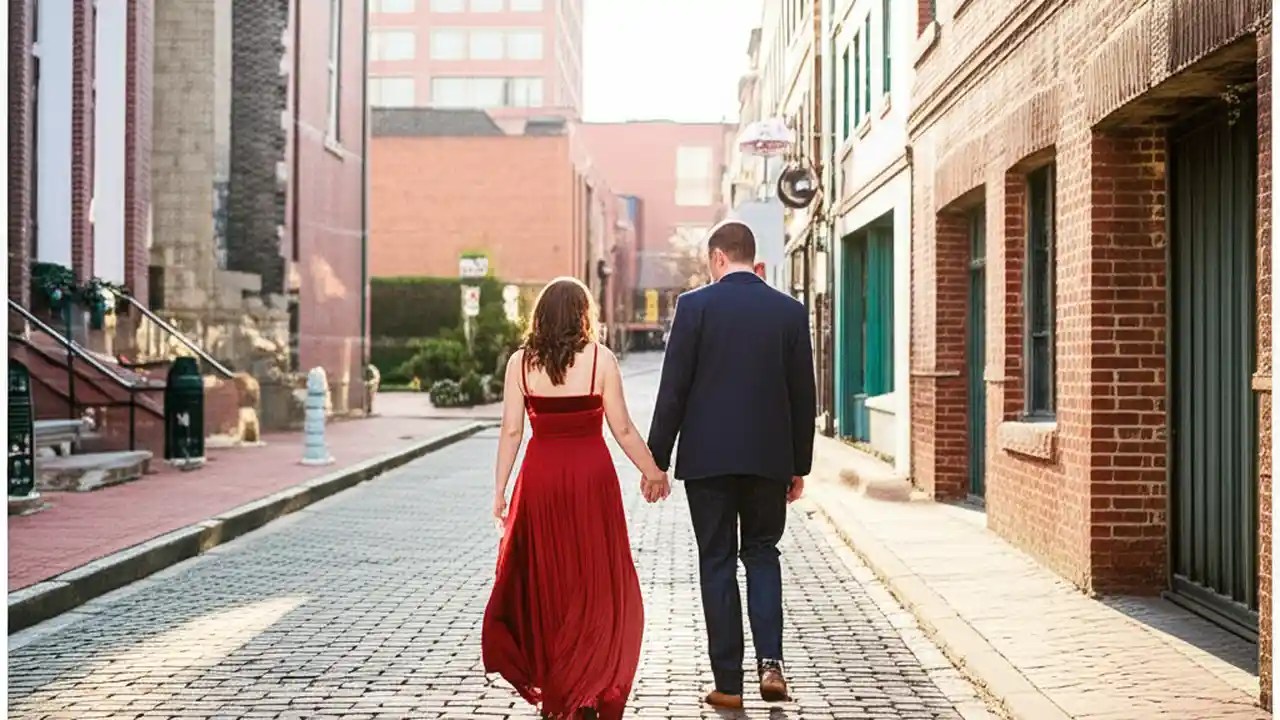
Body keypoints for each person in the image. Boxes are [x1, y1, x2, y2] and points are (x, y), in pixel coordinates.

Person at [644, 219, 817, 710]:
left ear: (718, 258)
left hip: (708, 463)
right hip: (768, 460)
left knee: (717, 561)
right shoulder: (788, 311)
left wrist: (656, 460)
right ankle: (771, 663)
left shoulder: (694, 307)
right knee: (762, 553)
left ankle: (729, 683)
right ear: (750, 255)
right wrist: (797, 464)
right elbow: (803, 396)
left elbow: (673, 390)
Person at [482, 277, 665, 720]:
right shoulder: (600, 359)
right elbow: (622, 428)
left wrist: (500, 489)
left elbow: (511, 431)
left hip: (541, 478)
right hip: (591, 478)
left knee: (549, 582)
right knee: (594, 582)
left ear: (541, 315)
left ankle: (564, 684)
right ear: (583, 314)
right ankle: (589, 684)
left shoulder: (520, 364)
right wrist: (653, 471)